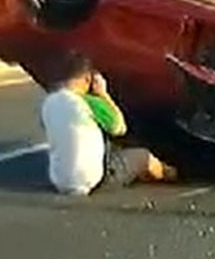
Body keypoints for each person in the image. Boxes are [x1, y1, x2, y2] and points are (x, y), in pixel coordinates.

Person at [40, 52, 178, 195]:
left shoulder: (48, 104)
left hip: (60, 182)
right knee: (144, 158)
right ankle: (175, 175)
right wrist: (103, 94)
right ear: (88, 78)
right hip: (93, 180)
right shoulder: (89, 102)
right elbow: (119, 128)